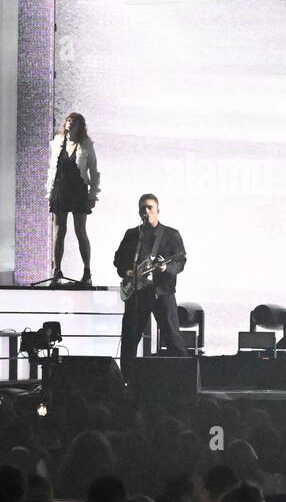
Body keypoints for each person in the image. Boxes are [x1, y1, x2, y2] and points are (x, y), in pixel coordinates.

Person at [114, 194, 188, 359]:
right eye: (143, 208)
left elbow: (180, 261)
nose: (146, 211)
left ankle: (183, 380)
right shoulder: (132, 234)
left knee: (173, 338)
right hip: (137, 293)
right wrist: (128, 272)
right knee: (130, 339)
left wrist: (166, 267)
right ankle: (127, 380)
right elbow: (118, 260)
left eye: (150, 207)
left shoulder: (171, 234)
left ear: (157, 210)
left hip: (162, 291)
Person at [47, 112, 100, 285]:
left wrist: (93, 194)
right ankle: (57, 271)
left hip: (78, 189)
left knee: (80, 231)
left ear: (80, 125)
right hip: (61, 188)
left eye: (74, 121)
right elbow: (52, 169)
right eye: (69, 120)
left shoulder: (85, 145)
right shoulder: (58, 143)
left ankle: (87, 272)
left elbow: (93, 170)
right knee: (59, 230)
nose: (70, 123)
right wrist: (50, 192)